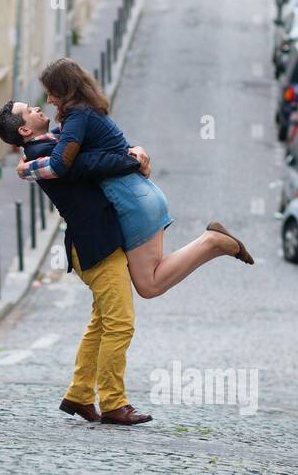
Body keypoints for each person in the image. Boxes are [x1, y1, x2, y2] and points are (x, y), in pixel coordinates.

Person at [14, 57, 253, 300]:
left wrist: (26, 169)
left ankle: (212, 241)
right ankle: (211, 242)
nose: (49, 100)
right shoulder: (84, 114)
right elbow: (57, 143)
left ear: (65, 89)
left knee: (149, 285)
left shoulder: (77, 118)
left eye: (52, 92)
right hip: (139, 195)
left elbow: (61, 165)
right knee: (151, 281)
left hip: (132, 200)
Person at [0, 98, 151, 425]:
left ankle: (79, 394)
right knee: (120, 323)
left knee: (102, 323)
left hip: (96, 241)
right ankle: (113, 402)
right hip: (95, 245)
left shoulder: (52, 144)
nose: (39, 109)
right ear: (24, 129)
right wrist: (130, 160)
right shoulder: (43, 155)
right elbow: (92, 164)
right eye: (30, 111)